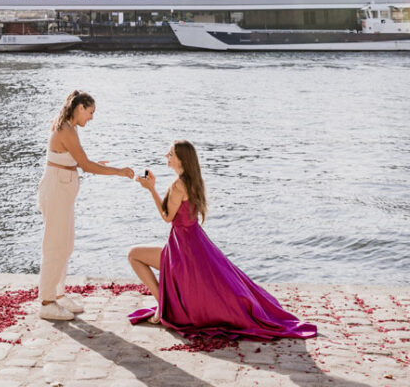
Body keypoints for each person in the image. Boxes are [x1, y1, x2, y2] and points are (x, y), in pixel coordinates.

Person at [127, 140, 317, 341]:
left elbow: (167, 217)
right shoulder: (193, 181)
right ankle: (163, 306)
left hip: (182, 250)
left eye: (171, 154)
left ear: (181, 159)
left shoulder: (178, 185)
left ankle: (162, 307)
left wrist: (151, 189)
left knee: (133, 255)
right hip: (196, 243)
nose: (167, 155)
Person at [38, 89, 134, 321]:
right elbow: (86, 165)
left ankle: (58, 295)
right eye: (90, 112)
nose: (91, 117)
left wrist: (84, 162)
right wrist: (119, 172)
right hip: (56, 191)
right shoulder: (66, 130)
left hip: (62, 191)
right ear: (79, 108)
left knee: (66, 244)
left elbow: (73, 159)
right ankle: (47, 301)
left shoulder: (69, 129)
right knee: (56, 245)